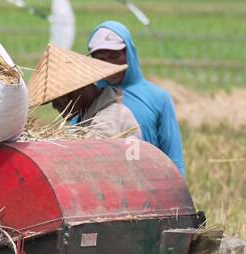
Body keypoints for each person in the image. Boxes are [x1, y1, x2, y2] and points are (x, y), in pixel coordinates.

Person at [87, 21, 185, 176]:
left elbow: (174, 160)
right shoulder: (88, 98)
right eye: (101, 59)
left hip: (148, 186)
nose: (108, 65)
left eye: (114, 56)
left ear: (129, 54)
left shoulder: (158, 98)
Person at [28, 44, 138, 138]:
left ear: (80, 87)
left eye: (60, 97)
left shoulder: (109, 119)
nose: (55, 105)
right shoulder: (86, 118)